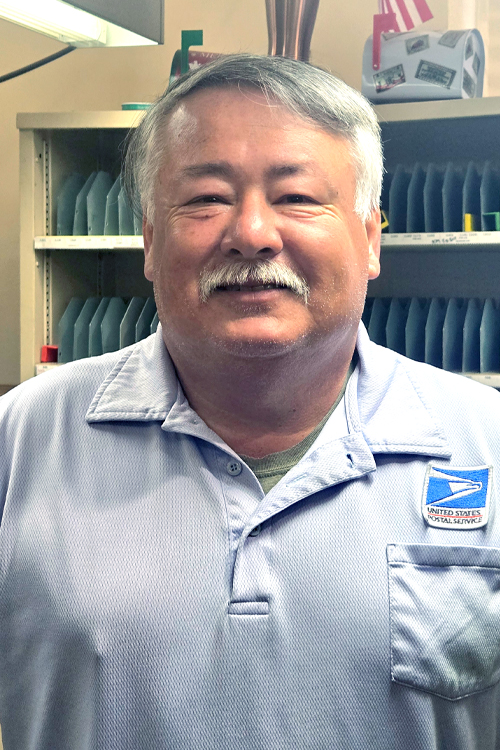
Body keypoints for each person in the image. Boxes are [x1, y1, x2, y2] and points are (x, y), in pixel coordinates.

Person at [1, 54, 500, 750]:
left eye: (297, 197)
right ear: (150, 241)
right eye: (206, 198)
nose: (253, 234)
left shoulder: (485, 443)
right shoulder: (22, 440)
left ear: (370, 238)